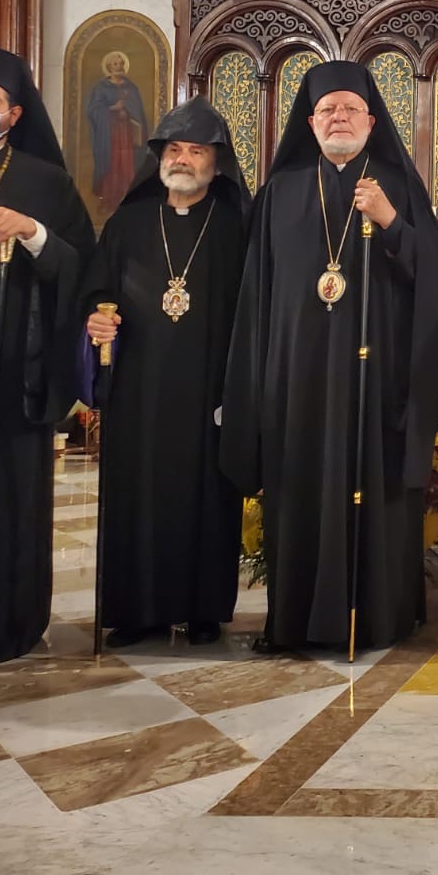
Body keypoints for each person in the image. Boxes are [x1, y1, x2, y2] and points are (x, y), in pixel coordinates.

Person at [221, 61, 438, 654]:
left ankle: (378, 618)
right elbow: (257, 294)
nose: (339, 117)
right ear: (310, 122)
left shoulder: (397, 186)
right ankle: (293, 621)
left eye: (350, 108)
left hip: (377, 382)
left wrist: (391, 223)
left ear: (372, 121)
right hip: (296, 379)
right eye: (328, 110)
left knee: (373, 490)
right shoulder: (280, 193)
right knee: (298, 491)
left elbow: (436, 269)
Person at [80, 97, 250, 647]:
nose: (183, 159)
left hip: (209, 388)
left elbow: (254, 308)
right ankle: (137, 611)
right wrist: (98, 319)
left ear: (216, 163)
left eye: (195, 150)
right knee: (139, 493)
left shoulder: (234, 228)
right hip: (140, 387)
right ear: (159, 158)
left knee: (207, 494)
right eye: (174, 149)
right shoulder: (128, 221)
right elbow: (99, 288)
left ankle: (202, 611)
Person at [0, 43, 94, 666]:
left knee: (5, 497)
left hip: (7, 376)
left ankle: (4, 623)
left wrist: (35, 232)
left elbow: (81, 267)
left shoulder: (43, 181)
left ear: (15, 114)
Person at [85, 50, 150, 216]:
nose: (118, 67)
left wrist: (129, 113)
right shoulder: (101, 88)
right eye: (115, 64)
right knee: (112, 164)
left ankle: (127, 200)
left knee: (127, 164)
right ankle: (109, 200)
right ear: (109, 67)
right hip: (109, 135)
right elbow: (93, 110)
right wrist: (113, 108)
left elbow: (139, 112)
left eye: (120, 64)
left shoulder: (131, 88)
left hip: (128, 135)